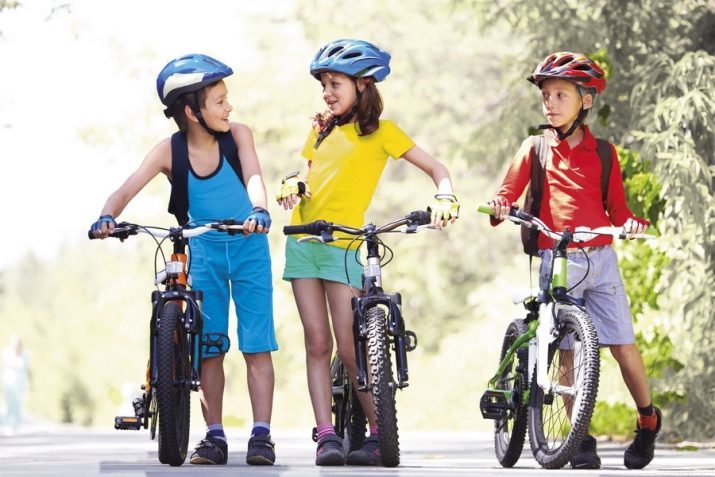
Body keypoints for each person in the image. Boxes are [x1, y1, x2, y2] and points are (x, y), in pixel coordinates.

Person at [276, 38, 460, 466]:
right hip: (304, 241)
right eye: (323, 83)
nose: (327, 91)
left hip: (345, 245)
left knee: (350, 347)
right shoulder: (320, 129)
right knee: (317, 344)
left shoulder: (383, 133)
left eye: (335, 82)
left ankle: (379, 433)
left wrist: (445, 196)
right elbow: (308, 175)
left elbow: (437, 169)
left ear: (363, 84)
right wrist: (292, 185)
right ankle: (326, 435)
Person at [89, 54, 278, 466]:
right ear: (193, 112)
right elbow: (124, 192)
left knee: (256, 346)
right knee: (209, 347)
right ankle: (214, 437)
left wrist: (259, 210)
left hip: (248, 248)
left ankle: (261, 436)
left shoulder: (238, 136)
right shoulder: (169, 152)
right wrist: (108, 217)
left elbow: (254, 179)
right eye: (220, 101)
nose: (230, 107)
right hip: (205, 253)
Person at [488, 52, 661, 470]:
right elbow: (507, 196)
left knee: (623, 347)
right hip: (556, 256)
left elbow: (617, 210)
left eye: (560, 94)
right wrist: (498, 206)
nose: (550, 102)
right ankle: (579, 437)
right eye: (546, 95)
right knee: (566, 350)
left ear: (585, 100)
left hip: (600, 258)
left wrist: (632, 223)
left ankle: (648, 420)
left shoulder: (604, 153)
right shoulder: (534, 148)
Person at [2, 335, 30, 436]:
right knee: (10, 405)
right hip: (9, 384)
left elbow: (28, 369)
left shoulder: (25, 355)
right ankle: (7, 425)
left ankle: (14, 425)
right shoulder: (6, 353)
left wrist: (31, 383)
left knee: (18, 406)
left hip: (21, 384)